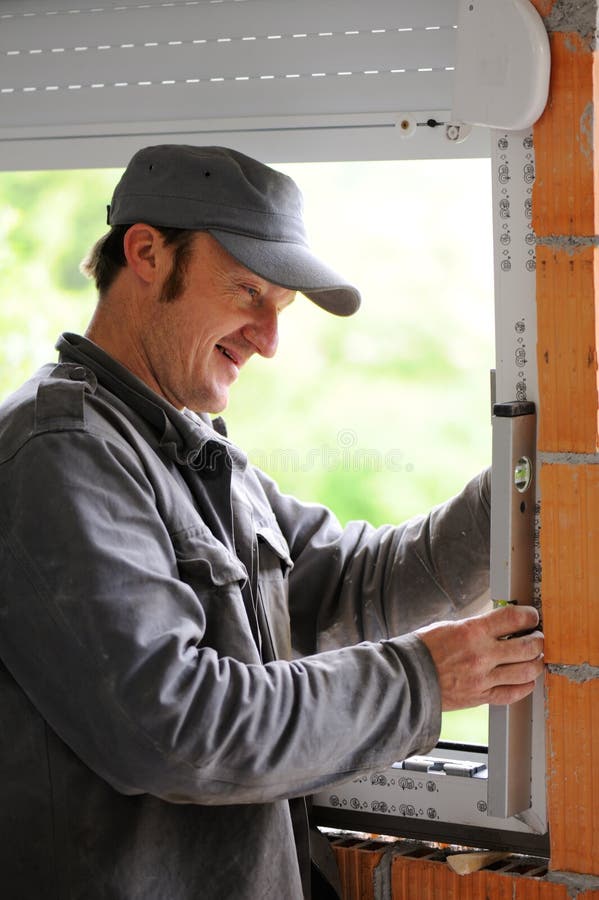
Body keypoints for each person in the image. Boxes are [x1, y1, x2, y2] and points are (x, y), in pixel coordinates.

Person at [0, 145, 543, 900]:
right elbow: (178, 730)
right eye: (247, 291)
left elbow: (357, 584)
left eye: (278, 307)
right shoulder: (58, 453)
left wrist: (534, 479)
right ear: (147, 253)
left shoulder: (191, 449)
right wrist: (422, 679)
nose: (267, 338)